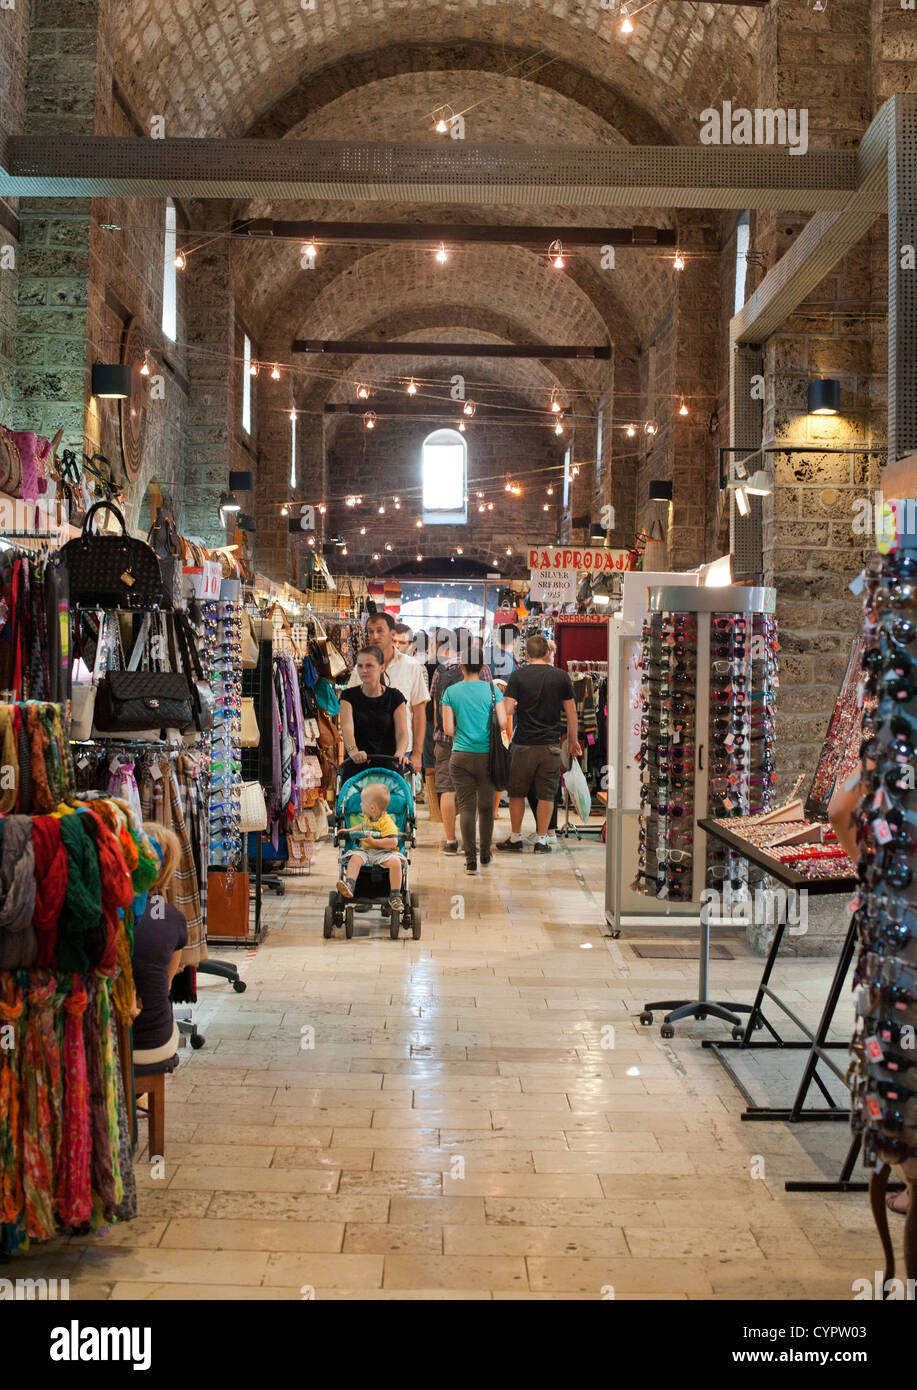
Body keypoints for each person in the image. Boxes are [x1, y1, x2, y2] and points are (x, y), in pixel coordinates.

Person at [498, 633, 582, 853]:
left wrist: (517, 707)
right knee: (546, 793)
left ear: (526, 654)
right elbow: (572, 712)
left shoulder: (518, 676)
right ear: (547, 653)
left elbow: (507, 709)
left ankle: (516, 838)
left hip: (523, 744)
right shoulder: (562, 677)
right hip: (551, 745)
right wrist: (573, 742)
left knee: (517, 792)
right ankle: (542, 840)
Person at [441, 640, 506, 874]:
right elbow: (503, 722)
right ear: (482, 667)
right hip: (488, 757)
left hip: (460, 756)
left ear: (461, 667)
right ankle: (486, 854)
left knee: (467, 807)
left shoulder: (451, 692)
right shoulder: (492, 690)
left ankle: (470, 860)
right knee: (487, 807)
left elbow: (447, 729)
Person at [132, 823, 189, 1074]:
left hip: (108, 1041)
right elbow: (165, 984)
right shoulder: (172, 919)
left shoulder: (110, 914)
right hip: (154, 1041)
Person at [431, 629, 492, 854]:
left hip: (446, 740)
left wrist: (437, 734)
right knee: (473, 790)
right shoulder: (482, 669)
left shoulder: (441, 669)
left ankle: (450, 841)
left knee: (447, 789)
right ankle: (470, 839)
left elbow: (435, 702)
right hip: (476, 741)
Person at [348, 611, 429, 773]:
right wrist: (352, 748)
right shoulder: (361, 668)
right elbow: (349, 709)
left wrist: (418, 753)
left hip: (400, 752)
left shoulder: (411, 667)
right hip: (365, 751)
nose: (375, 636)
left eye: (380, 630)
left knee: (398, 797)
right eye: (371, 631)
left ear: (392, 634)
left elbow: (419, 712)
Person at [339, 644, 409, 785]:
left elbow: (402, 732)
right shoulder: (348, 696)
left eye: (369, 666)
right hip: (357, 767)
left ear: (382, 667)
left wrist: (400, 753)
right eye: (360, 666)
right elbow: (347, 728)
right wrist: (353, 751)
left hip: (389, 768)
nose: (363, 670)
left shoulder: (395, 697)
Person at [336, 781, 406, 912]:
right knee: (355, 858)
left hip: (384, 853)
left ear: (372, 807)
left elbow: (393, 842)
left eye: (363, 802)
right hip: (366, 851)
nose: (360, 804)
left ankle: (395, 895)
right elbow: (362, 827)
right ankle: (350, 885)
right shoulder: (368, 817)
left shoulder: (387, 822)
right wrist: (349, 830)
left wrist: (374, 842)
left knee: (396, 863)